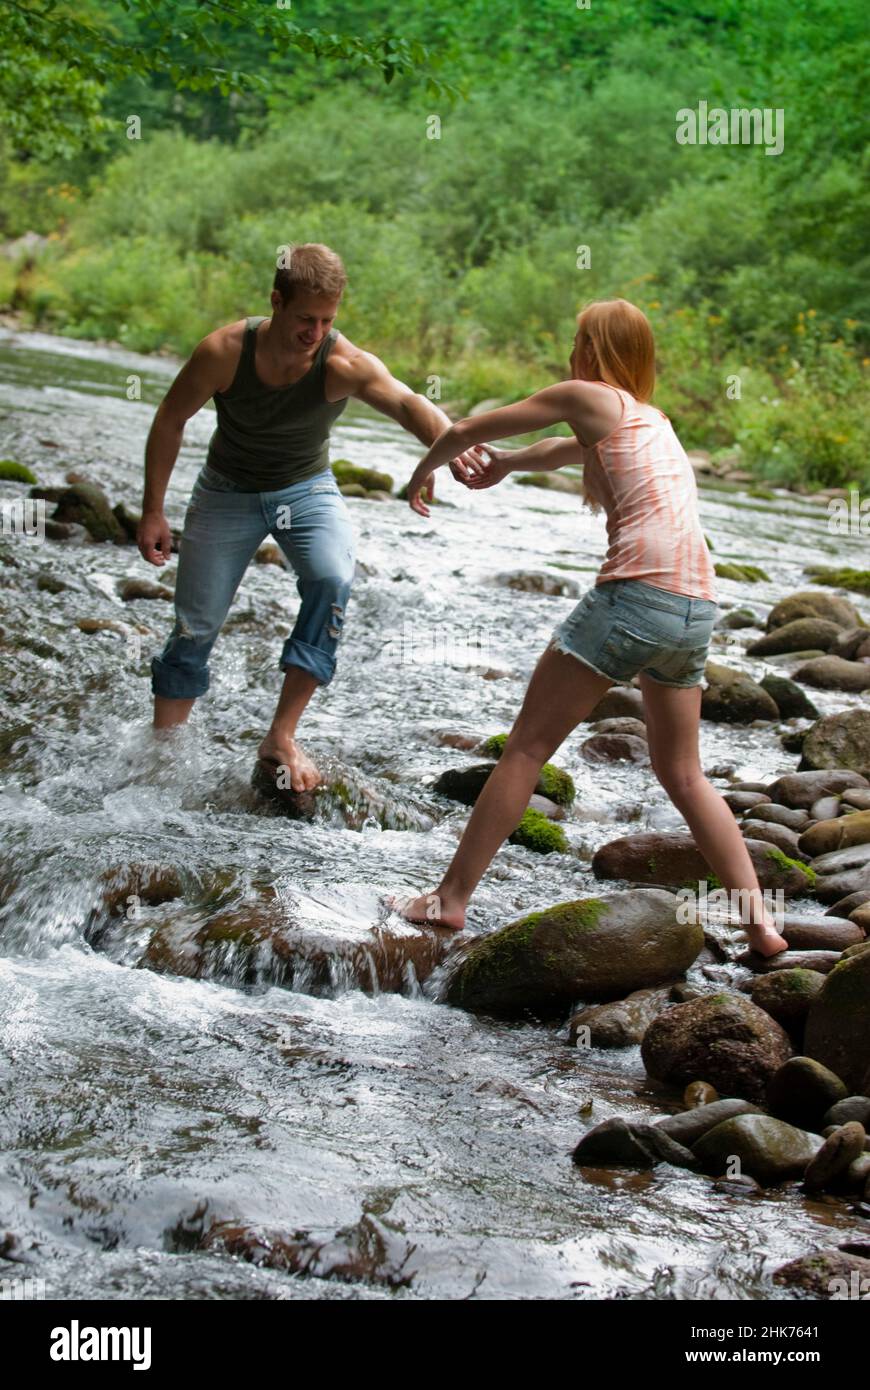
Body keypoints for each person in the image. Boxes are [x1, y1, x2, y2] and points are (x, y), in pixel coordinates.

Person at [396, 298, 788, 958]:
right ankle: (763, 928)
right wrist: (512, 465)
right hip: (695, 610)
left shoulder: (587, 394)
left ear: (593, 349)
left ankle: (449, 900)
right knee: (686, 775)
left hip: (635, 598)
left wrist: (422, 469)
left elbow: (468, 426)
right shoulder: (651, 421)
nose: (571, 351)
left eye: (578, 340)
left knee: (525, 749)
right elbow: (559, 447)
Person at [137, 243, 486, 792]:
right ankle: (161, 755)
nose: (315, 331)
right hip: (226, 492)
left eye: (327, 320)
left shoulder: (344, 363)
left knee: (332, 577)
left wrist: (451, 443)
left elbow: (407, 401)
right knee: (195, 625)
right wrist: (153, 509)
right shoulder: (224, 351)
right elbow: (170, 418)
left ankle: (281, 735)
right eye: (304, 318)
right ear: (276, 302)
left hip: (305, 489)